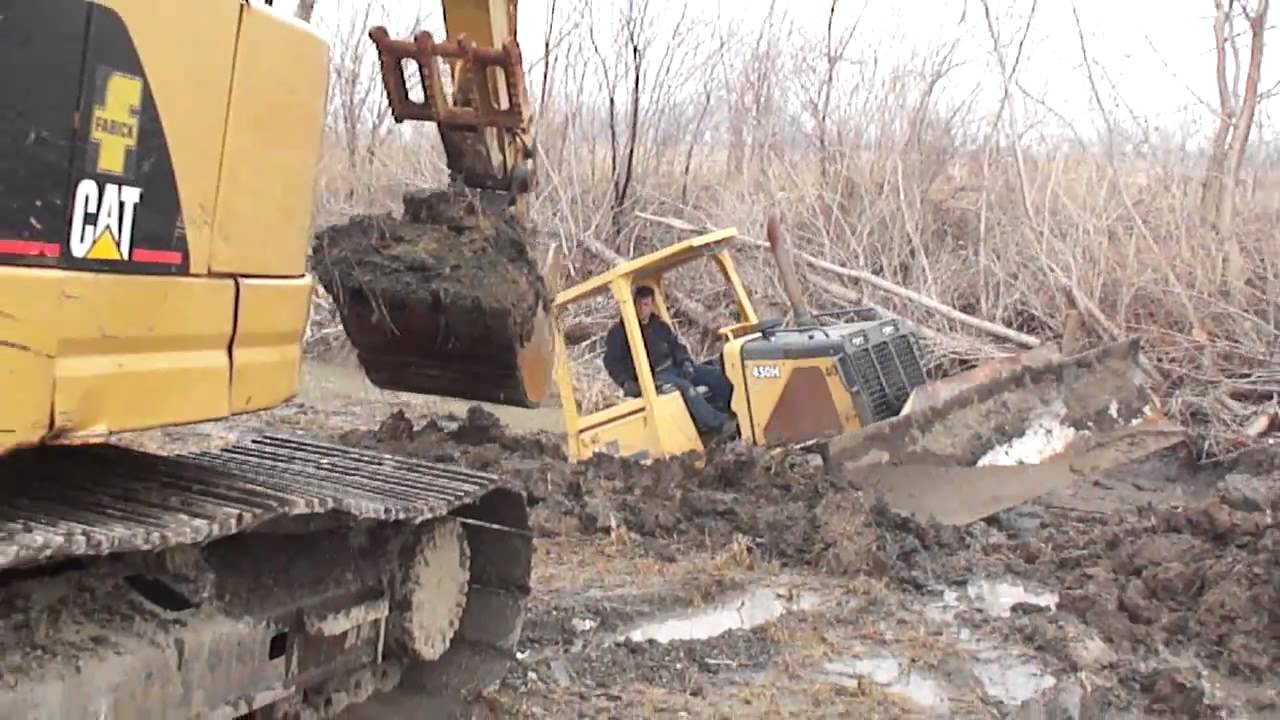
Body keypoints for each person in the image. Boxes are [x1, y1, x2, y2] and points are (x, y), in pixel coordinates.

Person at [602, 285, 735, 435]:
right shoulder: (620, 333)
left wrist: (685, 361)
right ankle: (719, 424)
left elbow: (676, 346)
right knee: (686, 388)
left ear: (652, 305)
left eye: (645, 304)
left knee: (715, 374)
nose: (641, 309)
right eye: (638, 304)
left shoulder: (659, 326)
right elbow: (612, 362)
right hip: (654, 377)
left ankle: (734, 409)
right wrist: (625, 381)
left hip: (674, 367)